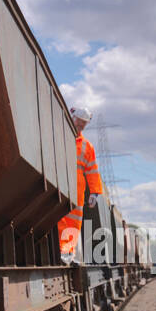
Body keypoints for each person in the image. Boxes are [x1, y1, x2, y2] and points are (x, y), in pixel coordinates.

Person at [58, 106, 103, 262]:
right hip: (60, 183)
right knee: (60, 218)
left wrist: (94, 193)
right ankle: (61, 249)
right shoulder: (59, 136)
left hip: (77, 189)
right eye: (80, 121)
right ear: (72, 118)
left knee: (74, 222)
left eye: (84, 123)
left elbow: (92, 171)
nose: (82, 125)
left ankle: (67, 251)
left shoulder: (87, 146)